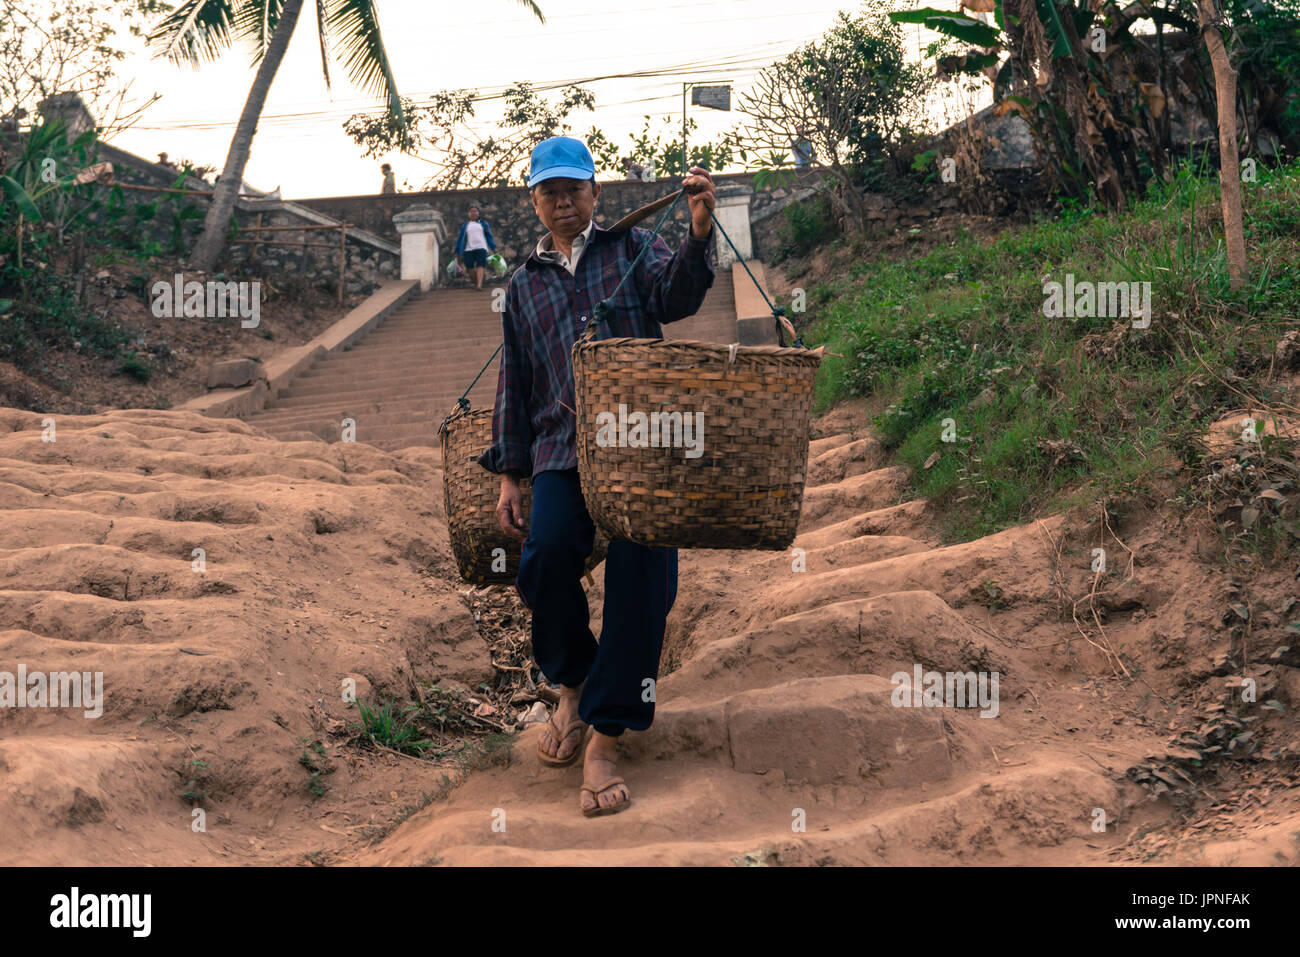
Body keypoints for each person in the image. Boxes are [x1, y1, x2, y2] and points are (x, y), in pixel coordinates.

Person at [477, 135, 716, 816]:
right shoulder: (523, 284)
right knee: (546, 555)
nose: (561, 201)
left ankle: (606, 733)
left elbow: (677, 298)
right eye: (548, 191)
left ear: (595, 193)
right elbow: (514, 383)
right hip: (561, 450)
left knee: (644, 573)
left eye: (572, 188)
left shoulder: (630, 250)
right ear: (533, 200)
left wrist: (698, 234)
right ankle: (574, 683)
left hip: (643, 444)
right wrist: (508, 475)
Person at [453, 205, 497, 290]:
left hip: (481, 247)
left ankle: (479, 285)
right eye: (471, 211)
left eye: (475, 211)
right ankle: (477, 282)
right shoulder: (465, 225)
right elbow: (460, 239)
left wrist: (493, 248)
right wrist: (457, 251)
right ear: (468, 214)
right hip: (468, 249)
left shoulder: (484, 224)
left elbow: (489, 237)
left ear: (478, 213)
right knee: (469, 267)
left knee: (481, 265)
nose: (473, 213)